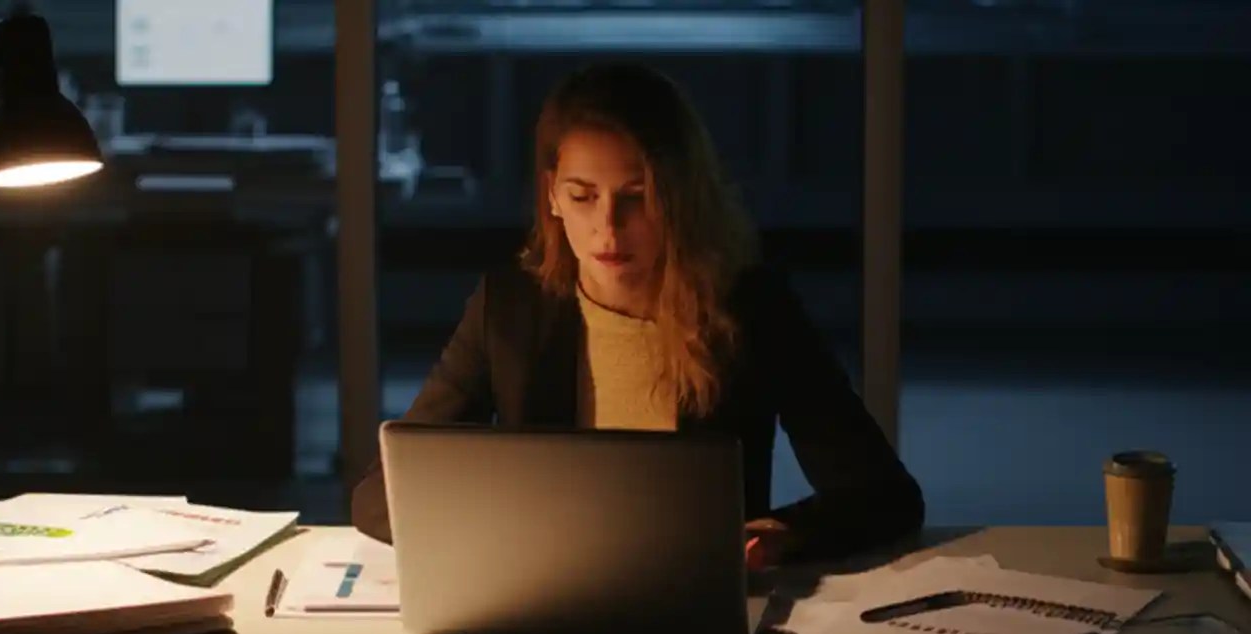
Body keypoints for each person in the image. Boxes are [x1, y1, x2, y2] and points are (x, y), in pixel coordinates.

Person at [351, 62, 925, 569]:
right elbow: (380, 497)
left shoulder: (750, 308)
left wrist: (781, 535)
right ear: (552, 196)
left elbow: (883, 495)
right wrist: (503, 537)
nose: (608, 227)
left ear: (679, 196)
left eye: (637, 196)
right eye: (583, 196)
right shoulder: (509, 308)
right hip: (541, 597)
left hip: (698, 605)